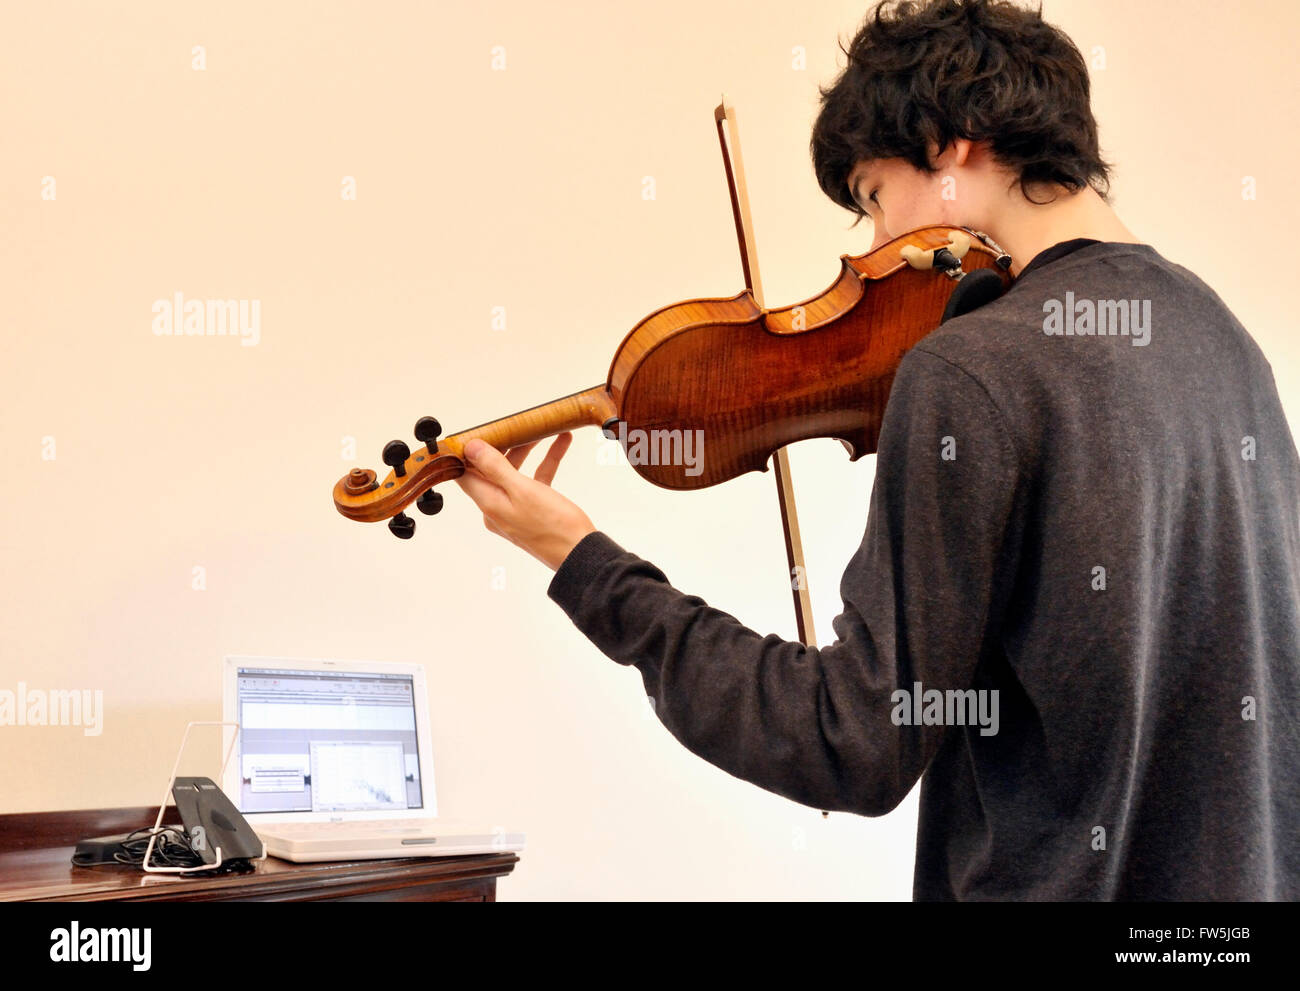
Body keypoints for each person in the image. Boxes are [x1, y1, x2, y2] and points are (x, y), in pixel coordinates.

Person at [453, 0, 1300, 900]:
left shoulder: (974, 370)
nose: (879, 242)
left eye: (872, 195)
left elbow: (849, 740)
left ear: (952, 140)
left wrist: (584, 564)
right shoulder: (1227, 342)